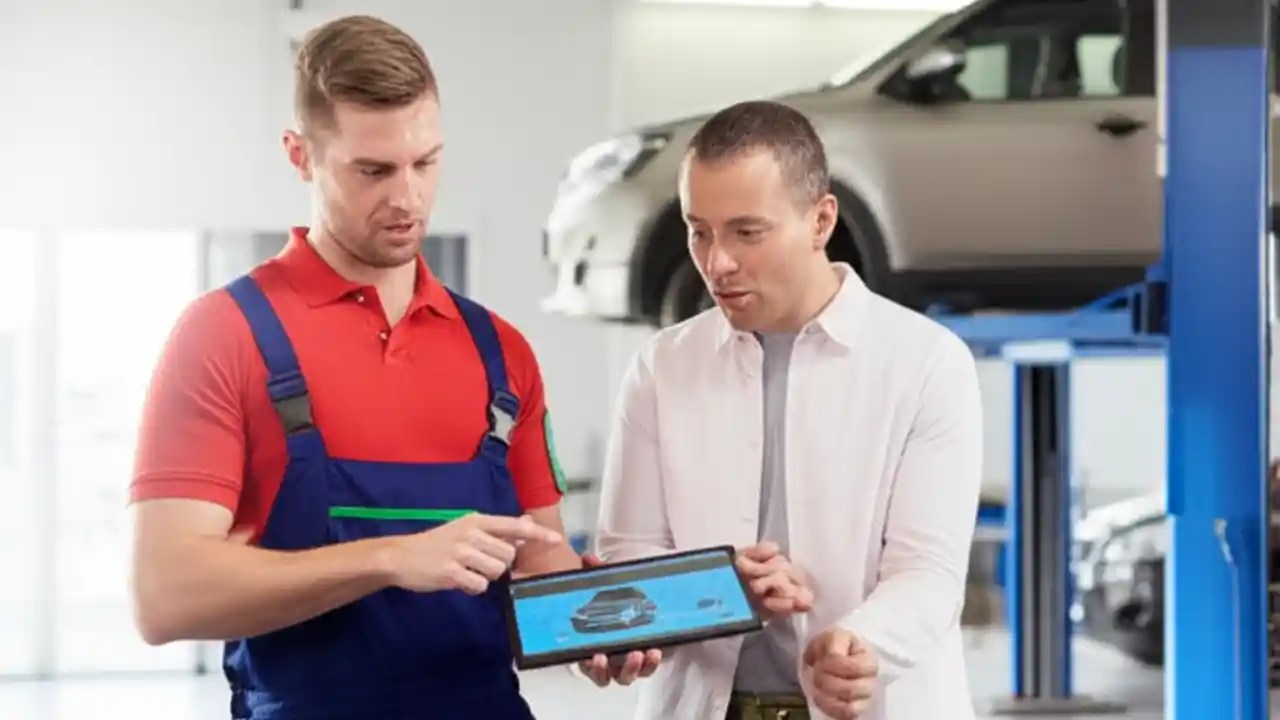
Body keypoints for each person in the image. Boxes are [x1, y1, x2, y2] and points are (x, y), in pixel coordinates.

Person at [126, 15, 583, 719]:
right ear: (300, 155)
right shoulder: (226, 336)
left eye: (425, 163)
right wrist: (389, 560)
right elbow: (164, 596)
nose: (406, 198)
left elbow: (546, 582)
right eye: (373, 171)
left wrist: (633, 624)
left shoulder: (502, 353)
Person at [587, 100, 985, 720]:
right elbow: (627, 558)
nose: (717, 262)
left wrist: (860, 647)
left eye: (747, 232)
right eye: (699, 231)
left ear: (820, 221)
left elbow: (928, 574)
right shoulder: (661, 368)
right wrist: (715, 591)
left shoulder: (926, 362)